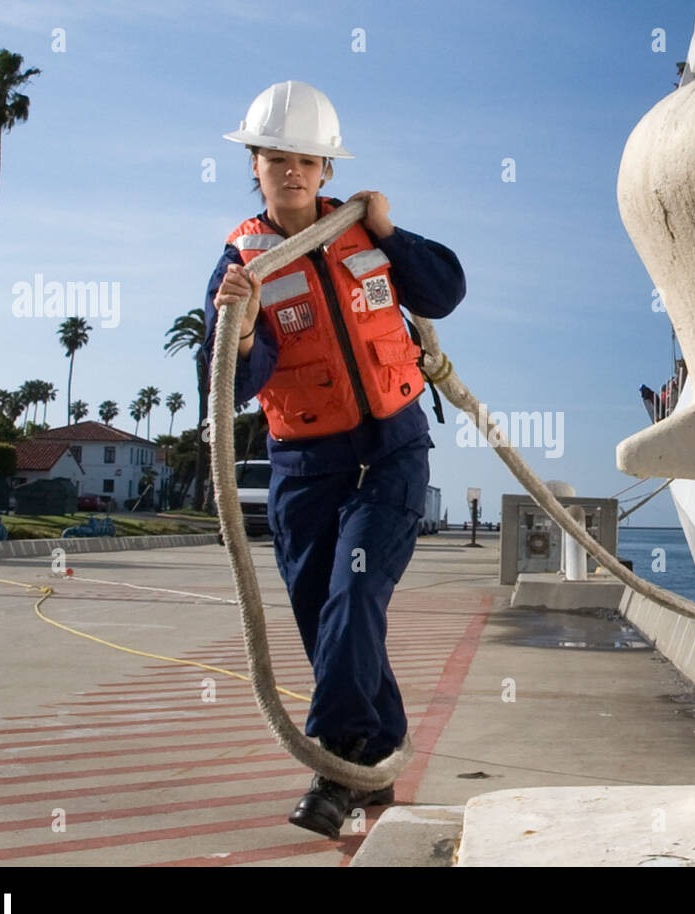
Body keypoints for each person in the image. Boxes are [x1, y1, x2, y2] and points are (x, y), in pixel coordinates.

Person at [202, 81, 466, 838]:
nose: (293, 171)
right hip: (305, 471)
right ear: (254, 165)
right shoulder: (242, 263)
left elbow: (444, 293)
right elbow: (223, 381)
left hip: (391, 455)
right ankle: (378, 759)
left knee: (352, 599)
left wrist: (391, 231)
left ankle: (337, 767)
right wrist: (244, 329)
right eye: (276, 158)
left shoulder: (364, 231)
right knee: (328, 622)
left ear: (325, 170)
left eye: (307, 160)